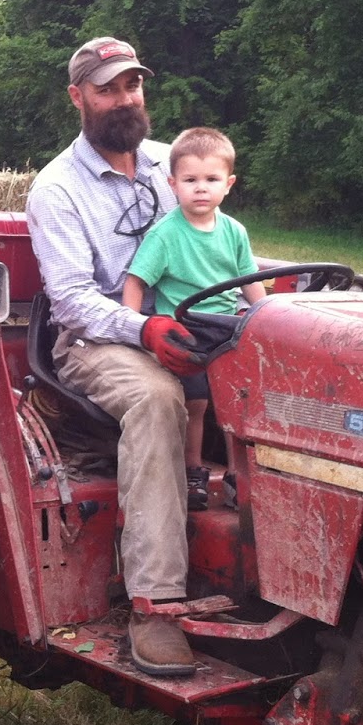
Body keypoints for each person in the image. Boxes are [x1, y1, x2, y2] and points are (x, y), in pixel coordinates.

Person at [25, 36, 207, 679]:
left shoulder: (171, 164)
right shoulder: (57, 189)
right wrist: (146, 329)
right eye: (107, 88)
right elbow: (72, 302)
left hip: (186, 325)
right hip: (92, 343)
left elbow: (216, 244)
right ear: (78, 98)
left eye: (132, 85)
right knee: (159, 399)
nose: (124, 98)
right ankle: (155, 606)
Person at [121, 127, 264, 472]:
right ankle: (193, 467)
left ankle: (239, 475)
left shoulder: (234, 231)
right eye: (190, 180)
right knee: (197, 403)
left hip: (227, 329)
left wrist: (263, 317)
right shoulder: (165, 234)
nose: (201, 188)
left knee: (240, 399)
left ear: (229, 184)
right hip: (186, 332)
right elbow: (135, 282)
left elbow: (250, 282)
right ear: (173, 185)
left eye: (212, 179)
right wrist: (134, 329)